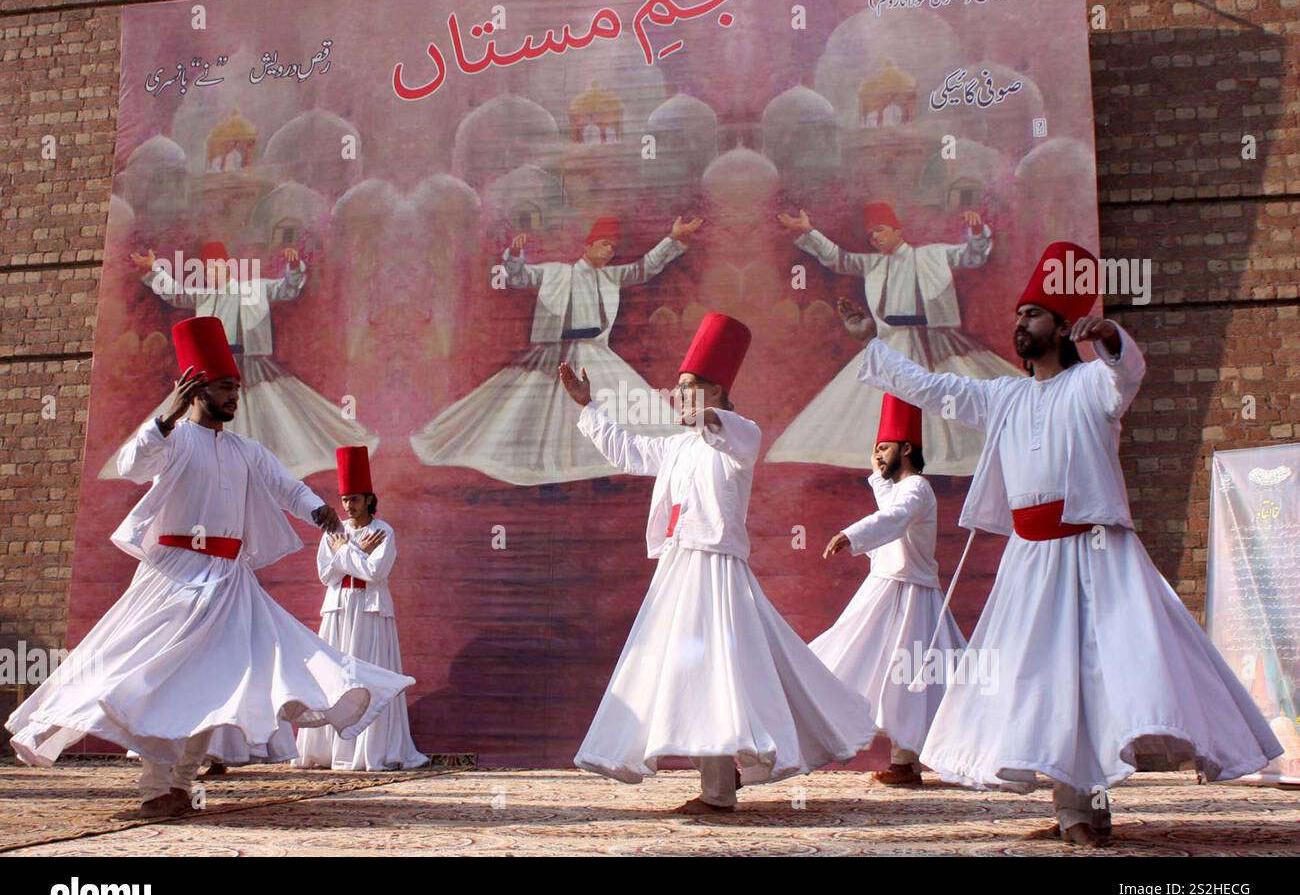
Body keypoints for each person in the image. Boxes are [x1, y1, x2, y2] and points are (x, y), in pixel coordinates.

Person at [838, 241, 1283, 845]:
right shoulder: (1004, 396)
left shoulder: (1095, 386)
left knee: (1105, 675)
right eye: (1019, 315)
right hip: (1033, 558)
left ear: (1062, 327)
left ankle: (1090, 809)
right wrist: (871, 342)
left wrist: (1108, 338)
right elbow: (932, 387)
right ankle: (1077, 811)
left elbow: (1128, 372)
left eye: (1033, 315)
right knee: (1047, 681)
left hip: (1098, 552)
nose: (1020, 324)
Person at [6, 317, 415, 819]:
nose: (234, 397)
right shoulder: (174, 437)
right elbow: (134, 464)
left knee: (215, 682)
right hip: (173, 576)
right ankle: (156, 788)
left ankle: (177, 788)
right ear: (196, 389)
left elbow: (286, 484)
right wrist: (164, 416)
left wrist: (318, 511)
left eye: (236, 389)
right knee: (149, 674)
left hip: (229, 580)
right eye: (225, 388)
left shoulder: (247, 450)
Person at [559, 313, 878, 814]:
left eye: (690, 387)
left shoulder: (739, 435)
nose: (679, 395)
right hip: (679, 567)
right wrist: (588, 406)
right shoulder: (677, 446)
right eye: (678, 387)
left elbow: (726, 431)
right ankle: (724, 778)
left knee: (716, 672)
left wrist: (704, 413)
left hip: (717, 568)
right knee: (699, 673)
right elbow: (628, 450)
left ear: (717, 391)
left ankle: (719, 790)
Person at [411, 216, 702, 485]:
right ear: (589, 244)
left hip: (594, 352)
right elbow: (519, 277)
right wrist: (514, 256)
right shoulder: (555, 273)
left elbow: (644, 267)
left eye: (613, 246)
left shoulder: (611, 277)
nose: (609, 251)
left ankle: (598, 472)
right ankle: (550, 476)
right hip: (555, 352)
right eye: (604, 244)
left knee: (611, 408)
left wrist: (672, 239)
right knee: (538, 412)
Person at [769, 204, 1018, 474]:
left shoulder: (932, 254)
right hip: (893, 341)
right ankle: (902, 464)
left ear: (897, 230)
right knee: (886, 402)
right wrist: (809, 232)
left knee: (944, 398)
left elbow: (972, 256)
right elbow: (839, 259)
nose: (875, 237)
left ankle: (949, 463)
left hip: (936, 339)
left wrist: (977, 231)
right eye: (871, 234)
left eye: (880, 230)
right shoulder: (873, 263)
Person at [100, 240, 377, 480]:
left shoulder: (254, 287)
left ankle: (263, 466)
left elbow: (286, 289)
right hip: (216, 368)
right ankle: (224, 467)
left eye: (215, 267)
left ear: (228, 266)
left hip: (251, 364)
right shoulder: (205, 295)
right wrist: (153, 268)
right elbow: (175, 292)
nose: (210, 273)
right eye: (207, 269)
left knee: (269, 414)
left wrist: (293, 269)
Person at [812, 394, 966, 785]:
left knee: (910, 679)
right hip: (887, 588)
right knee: (876, 666)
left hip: (911, 593)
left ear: (907, 448)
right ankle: (901, 760)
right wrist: (878, 473)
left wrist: (851, 534)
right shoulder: (903, 488)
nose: (877, 454)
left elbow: (893, 518)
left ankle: (907, 761)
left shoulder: (917, 489)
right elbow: (889, 508)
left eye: (883, 447)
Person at [294, 446, 427, 771]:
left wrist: (347, 553)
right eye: (345, 500)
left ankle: (370, 749)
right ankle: (328, 748)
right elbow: (327, 575)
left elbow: (375, 572)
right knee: (337, 675)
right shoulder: (332, 532)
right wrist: (354, 551)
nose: (349, 506)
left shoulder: (384, 531)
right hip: (339, 610)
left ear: (368, 498)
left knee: (368, 672)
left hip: (370, 611)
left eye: (355, 499)